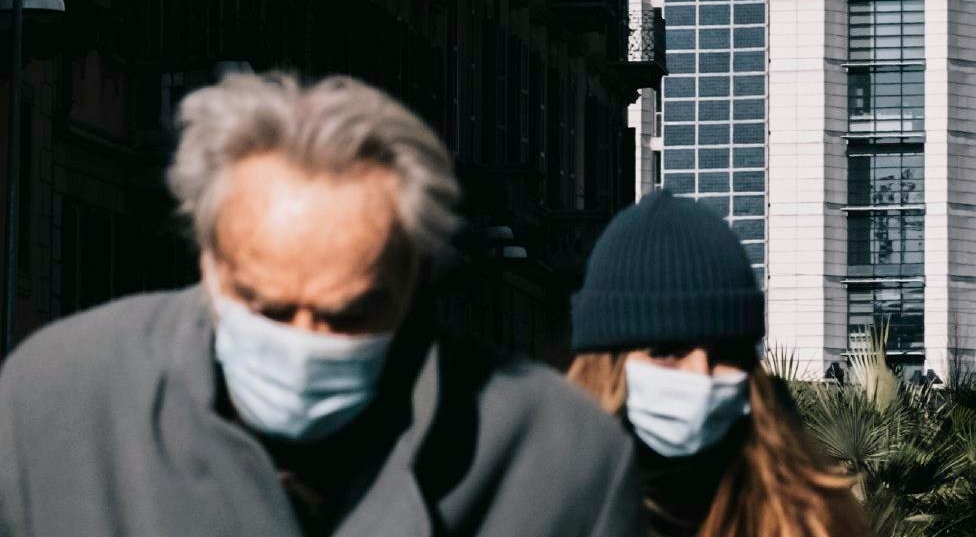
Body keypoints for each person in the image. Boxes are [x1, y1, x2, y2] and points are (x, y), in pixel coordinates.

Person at [0, 68, 641, 536]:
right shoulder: (54, 404)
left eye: (349, 316)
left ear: (415, 281)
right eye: (268, 308)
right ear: (210, 262)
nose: (304, 345)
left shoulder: (559, 458)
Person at [567, 189, 865, 537]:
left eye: (726, 354)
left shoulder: (809, 518)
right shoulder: (541, 508)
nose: (700, 375)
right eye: (667, 351)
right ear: (607, 367)